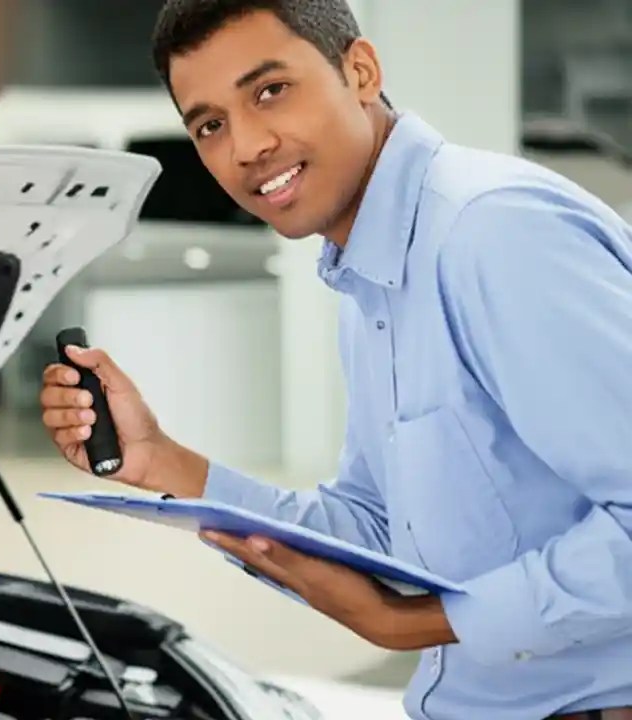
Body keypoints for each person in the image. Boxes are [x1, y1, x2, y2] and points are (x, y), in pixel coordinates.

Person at [39, 1, 632, 719]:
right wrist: (161, 461)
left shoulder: (492, 234)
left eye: (269, 91)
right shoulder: (370, 273)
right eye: (210, 125)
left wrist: (409, 626)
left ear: (360, 71)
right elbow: (381, 532)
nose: (246, 146)